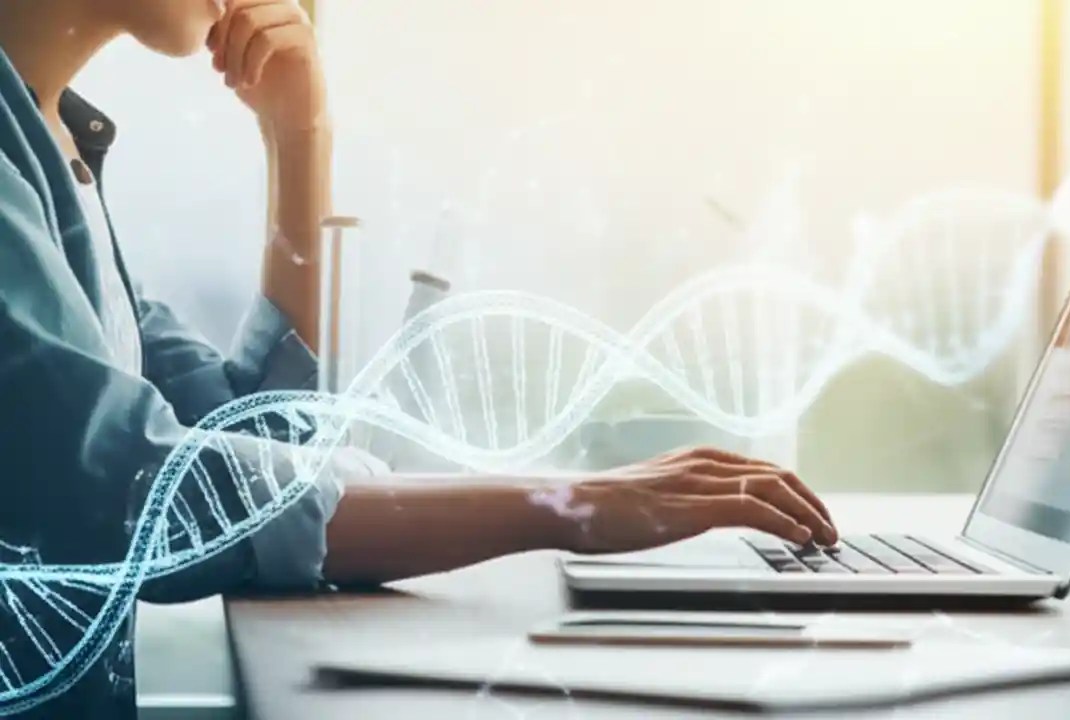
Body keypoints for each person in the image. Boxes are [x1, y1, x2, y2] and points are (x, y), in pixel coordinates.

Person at [0, 1, 837, 716]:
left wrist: (299, 141)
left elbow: (267, 437)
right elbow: (139, 487)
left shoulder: (52, 146)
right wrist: (571, 505)